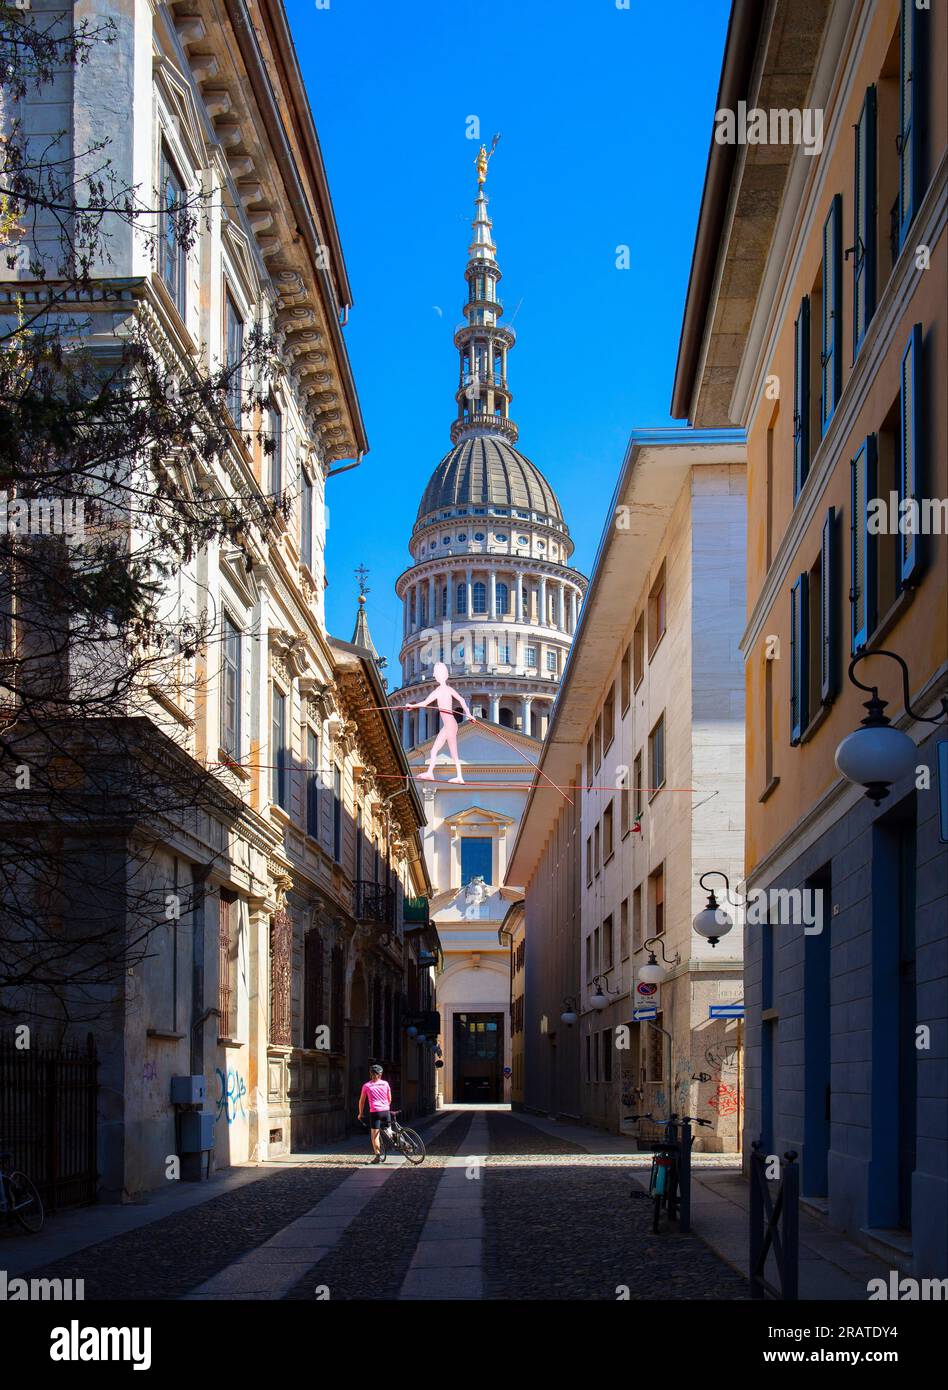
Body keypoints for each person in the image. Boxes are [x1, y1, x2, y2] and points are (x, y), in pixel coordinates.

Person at [407, 660, 474, 783]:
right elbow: (461, 700)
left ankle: (432, 773)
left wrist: (412, 706)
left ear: (440, 674)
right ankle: (455, 775)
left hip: (449, 724)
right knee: (451, 752)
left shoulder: (440, 690)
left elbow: (425, 703)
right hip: (451, 723)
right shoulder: (447, 689)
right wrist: (468, 714)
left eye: (435, 673)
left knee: (437, 750)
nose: (434, 676)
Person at [358, 1063, 393, 1163]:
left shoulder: (366, 1086)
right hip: (386, 1111)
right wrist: (385, 1106)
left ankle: (378, 1156)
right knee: (389, 1131)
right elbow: (389, 1098)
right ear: (380, 1074)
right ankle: (402, 1144)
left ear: (370, 1074)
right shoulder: (385, 1083)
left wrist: (360, 1113)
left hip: (375, 1113)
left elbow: (361, 1101)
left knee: (375, 1135)